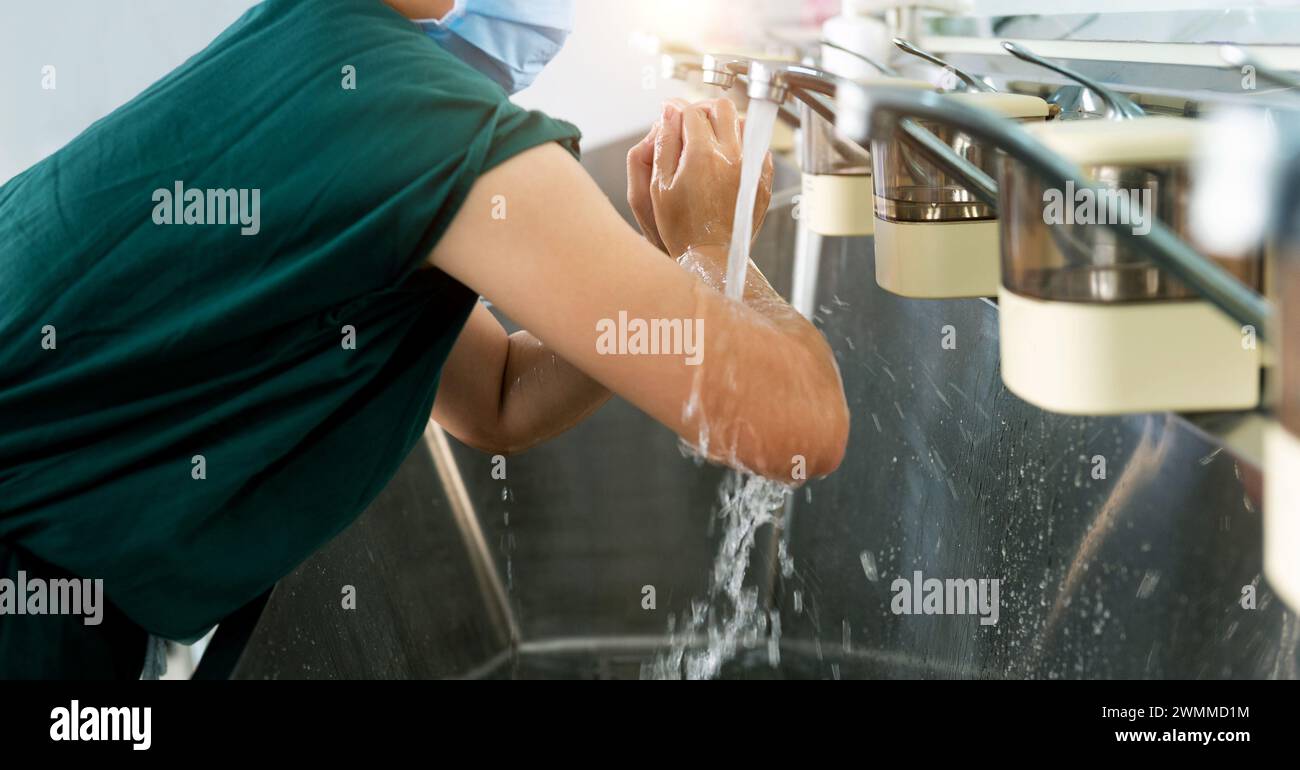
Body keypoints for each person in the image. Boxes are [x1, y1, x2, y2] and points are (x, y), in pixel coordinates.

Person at [0, 0, 849, 678]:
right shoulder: (416, 116)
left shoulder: (318, 44)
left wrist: (668, 268)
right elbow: (798, 424)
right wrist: (708, 243)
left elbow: (497, 396)